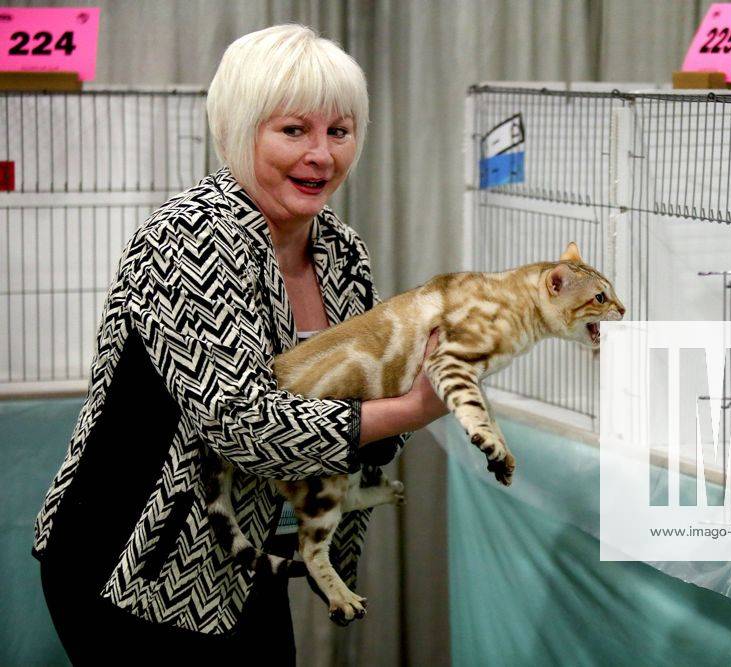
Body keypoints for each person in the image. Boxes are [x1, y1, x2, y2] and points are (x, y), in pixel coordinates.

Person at [33, 24, 446, 664]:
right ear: (239, 128)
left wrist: (428, 376)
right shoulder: (188, 240)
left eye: (339, 131)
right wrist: (413, 409)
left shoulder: (342, 252)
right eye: (294, 130)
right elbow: (242, 426)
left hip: (238, 557)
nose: (321, 155)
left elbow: (364, 402)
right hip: (134, 561)